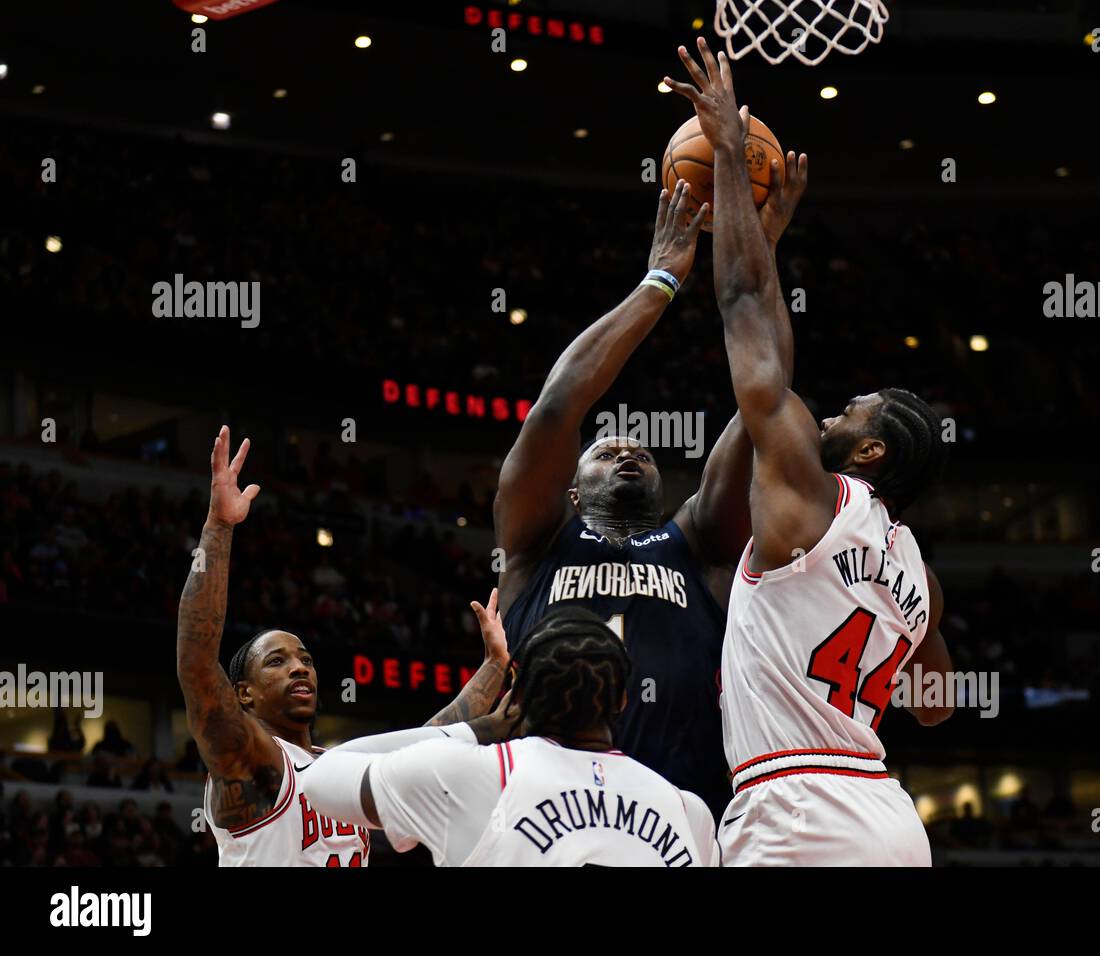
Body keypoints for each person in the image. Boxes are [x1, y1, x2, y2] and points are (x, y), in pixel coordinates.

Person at [665, 37, 953, 865]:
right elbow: (932, 705)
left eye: (851, 410)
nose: (830, 408)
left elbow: (746, 306)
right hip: (888, 815)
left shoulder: (815, 503)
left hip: (796, 808)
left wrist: (726, 154)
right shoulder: (915, 568)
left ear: (866, 452)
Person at [495, 170, 805, 820]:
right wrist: (660, 281)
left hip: (684, 818)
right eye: (606, 452)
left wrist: (758, 254)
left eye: (641, 452)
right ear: (571, 493)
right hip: (548, 813)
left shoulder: (698, 545)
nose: (629, 451)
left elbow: (765, 402)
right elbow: (557, 407)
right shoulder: (538, 539)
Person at [177, 426, 510, 866]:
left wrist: (494, 664)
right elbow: (198, 662)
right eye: (277, 661)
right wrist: (218, 527)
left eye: (306, 660)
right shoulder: (251, 761)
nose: (299, 668)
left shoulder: (343, 764)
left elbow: (435, 739)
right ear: (244, 693)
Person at [301, 607, 720, 867]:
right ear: (624, 698)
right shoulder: (688, 811)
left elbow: (321, 777)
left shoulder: (473, 775)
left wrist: (476, 728)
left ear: (517, 696)